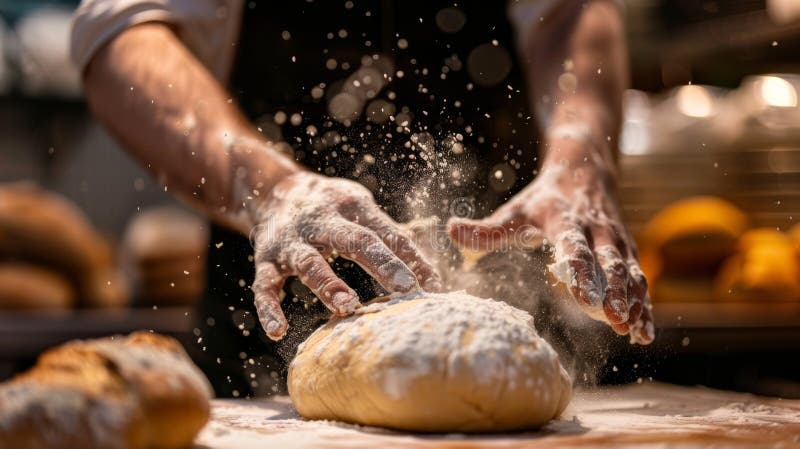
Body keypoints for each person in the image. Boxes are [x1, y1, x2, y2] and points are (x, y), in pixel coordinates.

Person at [71, 0, 654, 396]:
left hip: (517, 348)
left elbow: (569, 12)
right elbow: (123, 33)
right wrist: (273, 189)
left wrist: (581, 160)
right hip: (261, 365)